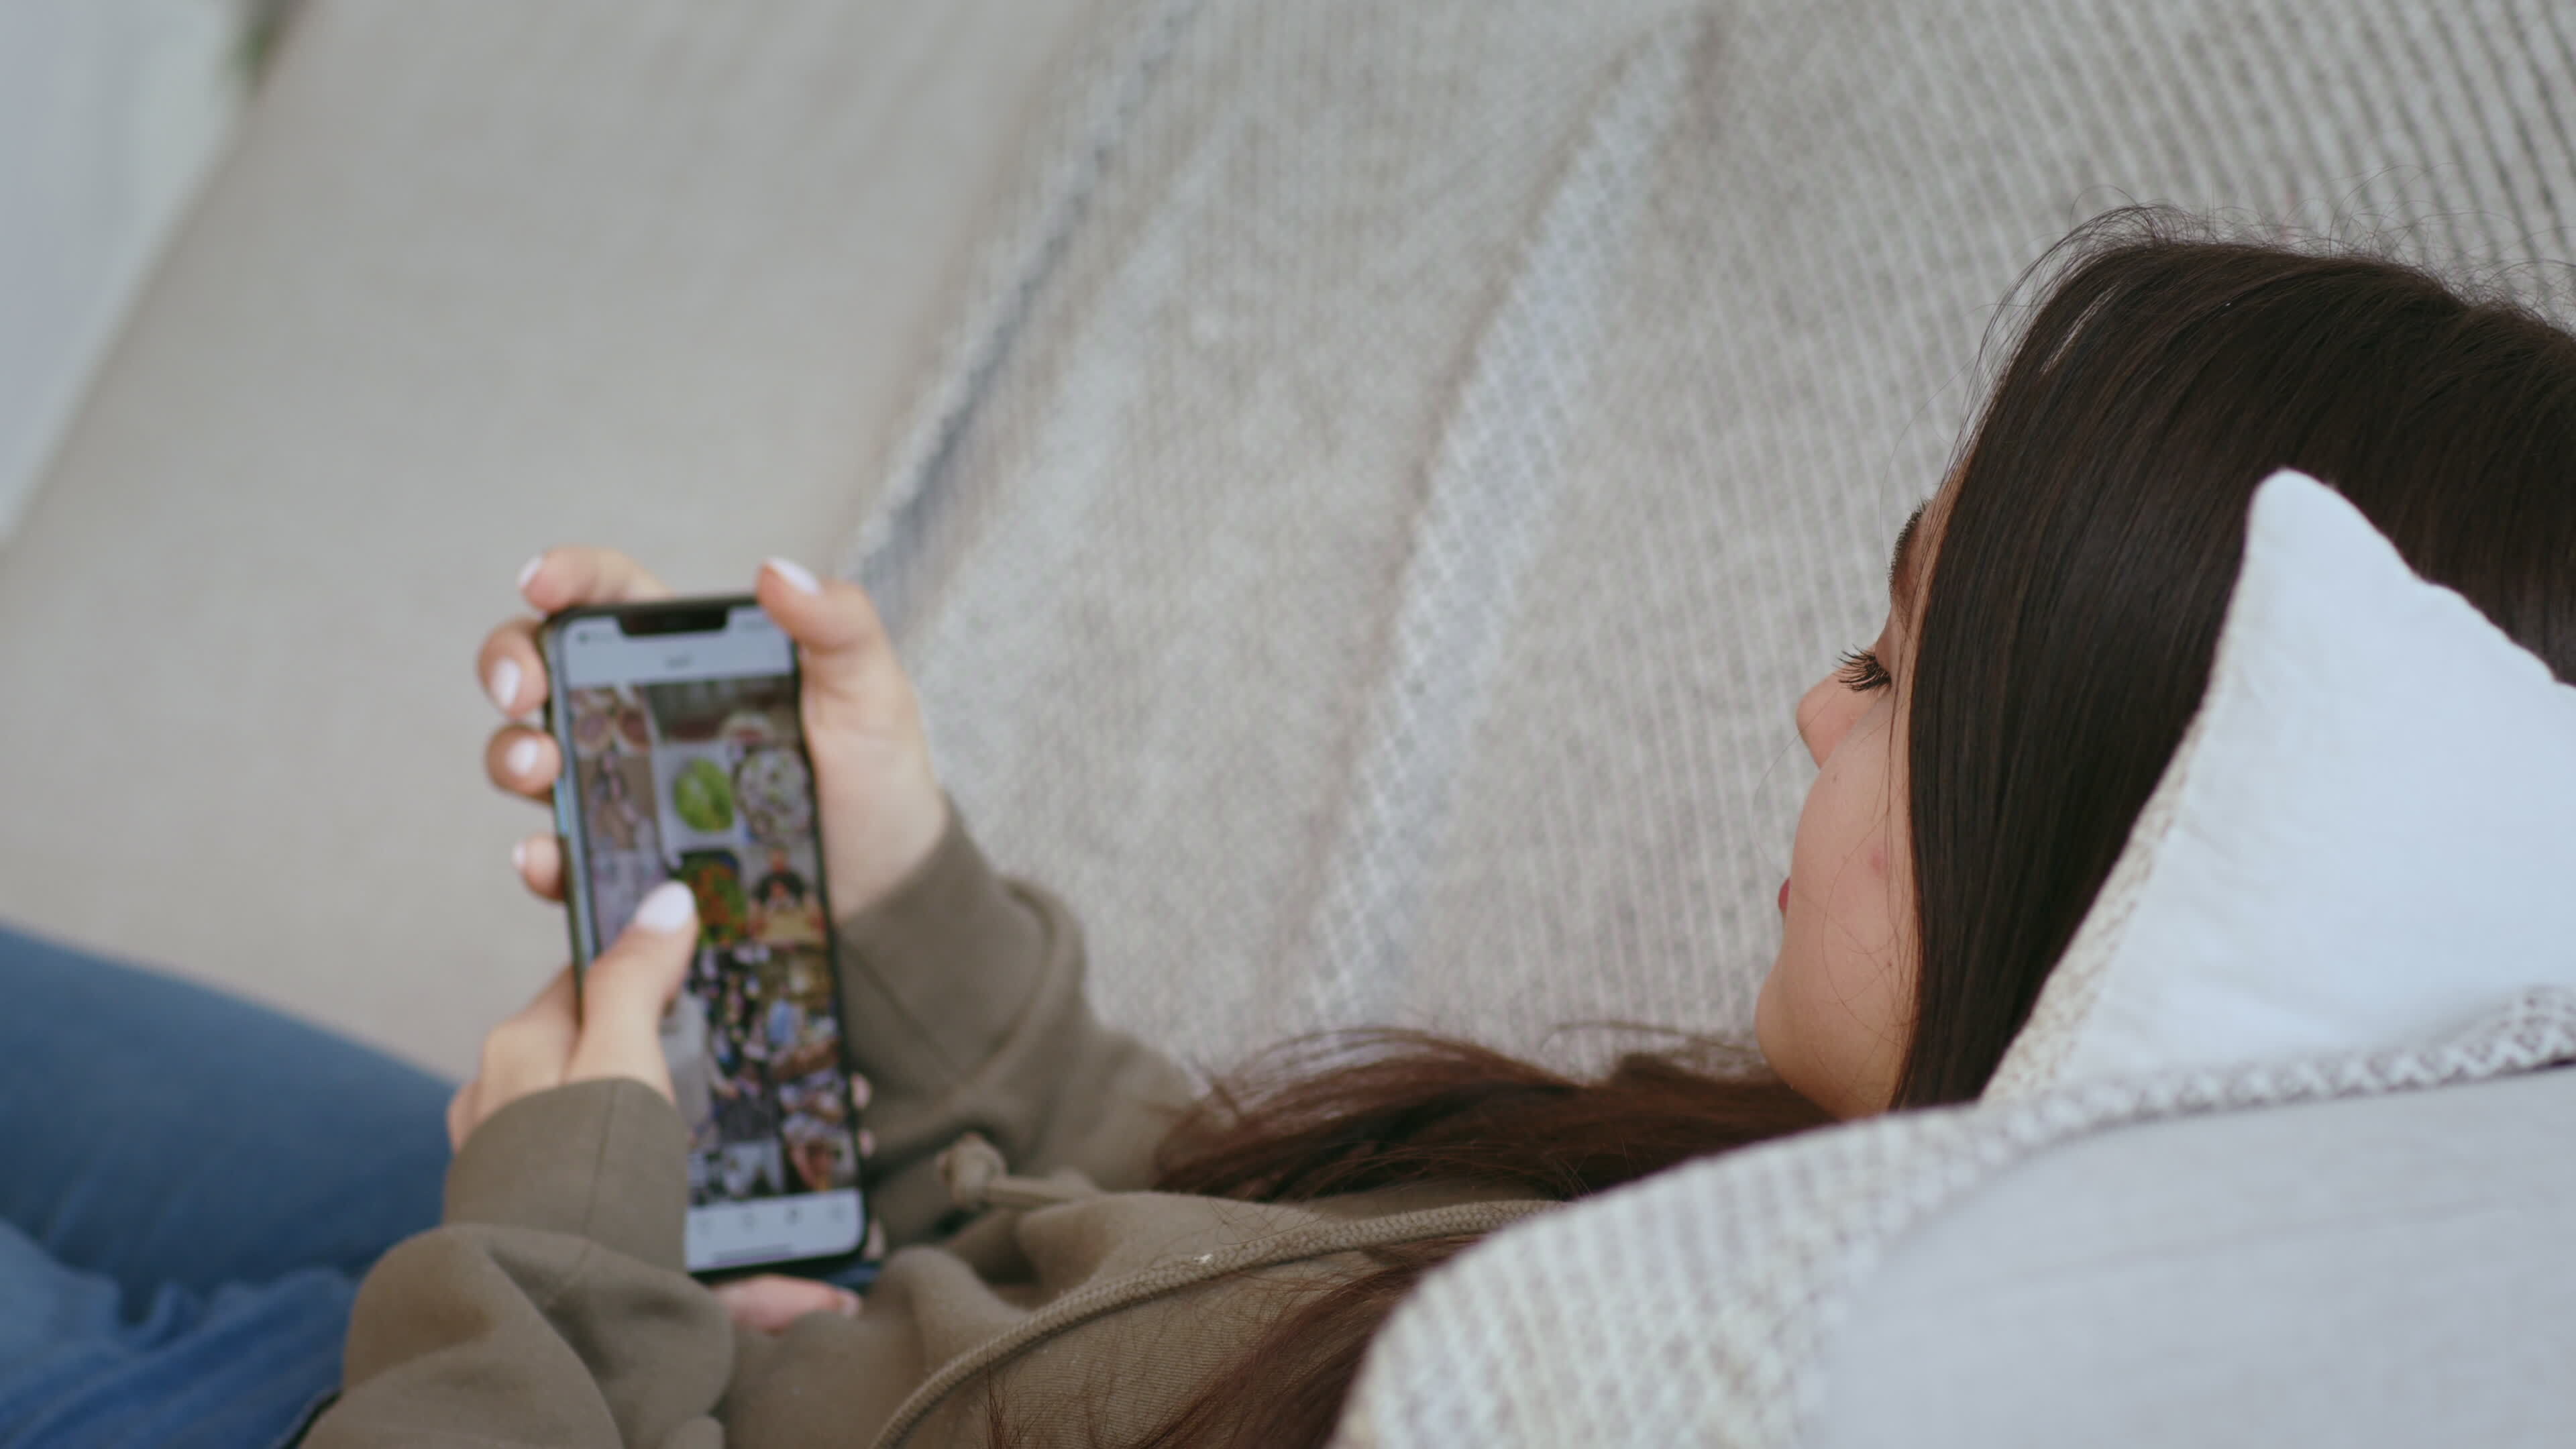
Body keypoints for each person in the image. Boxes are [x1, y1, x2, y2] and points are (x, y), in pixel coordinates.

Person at [3, 212, 2571, 1448]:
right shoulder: (1733, 1191)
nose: (1814, 706)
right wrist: (892, 886)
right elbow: (1199, 1245)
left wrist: (557, 1248)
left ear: (2092, 817)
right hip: (553, 1312)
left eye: (1900, 672)